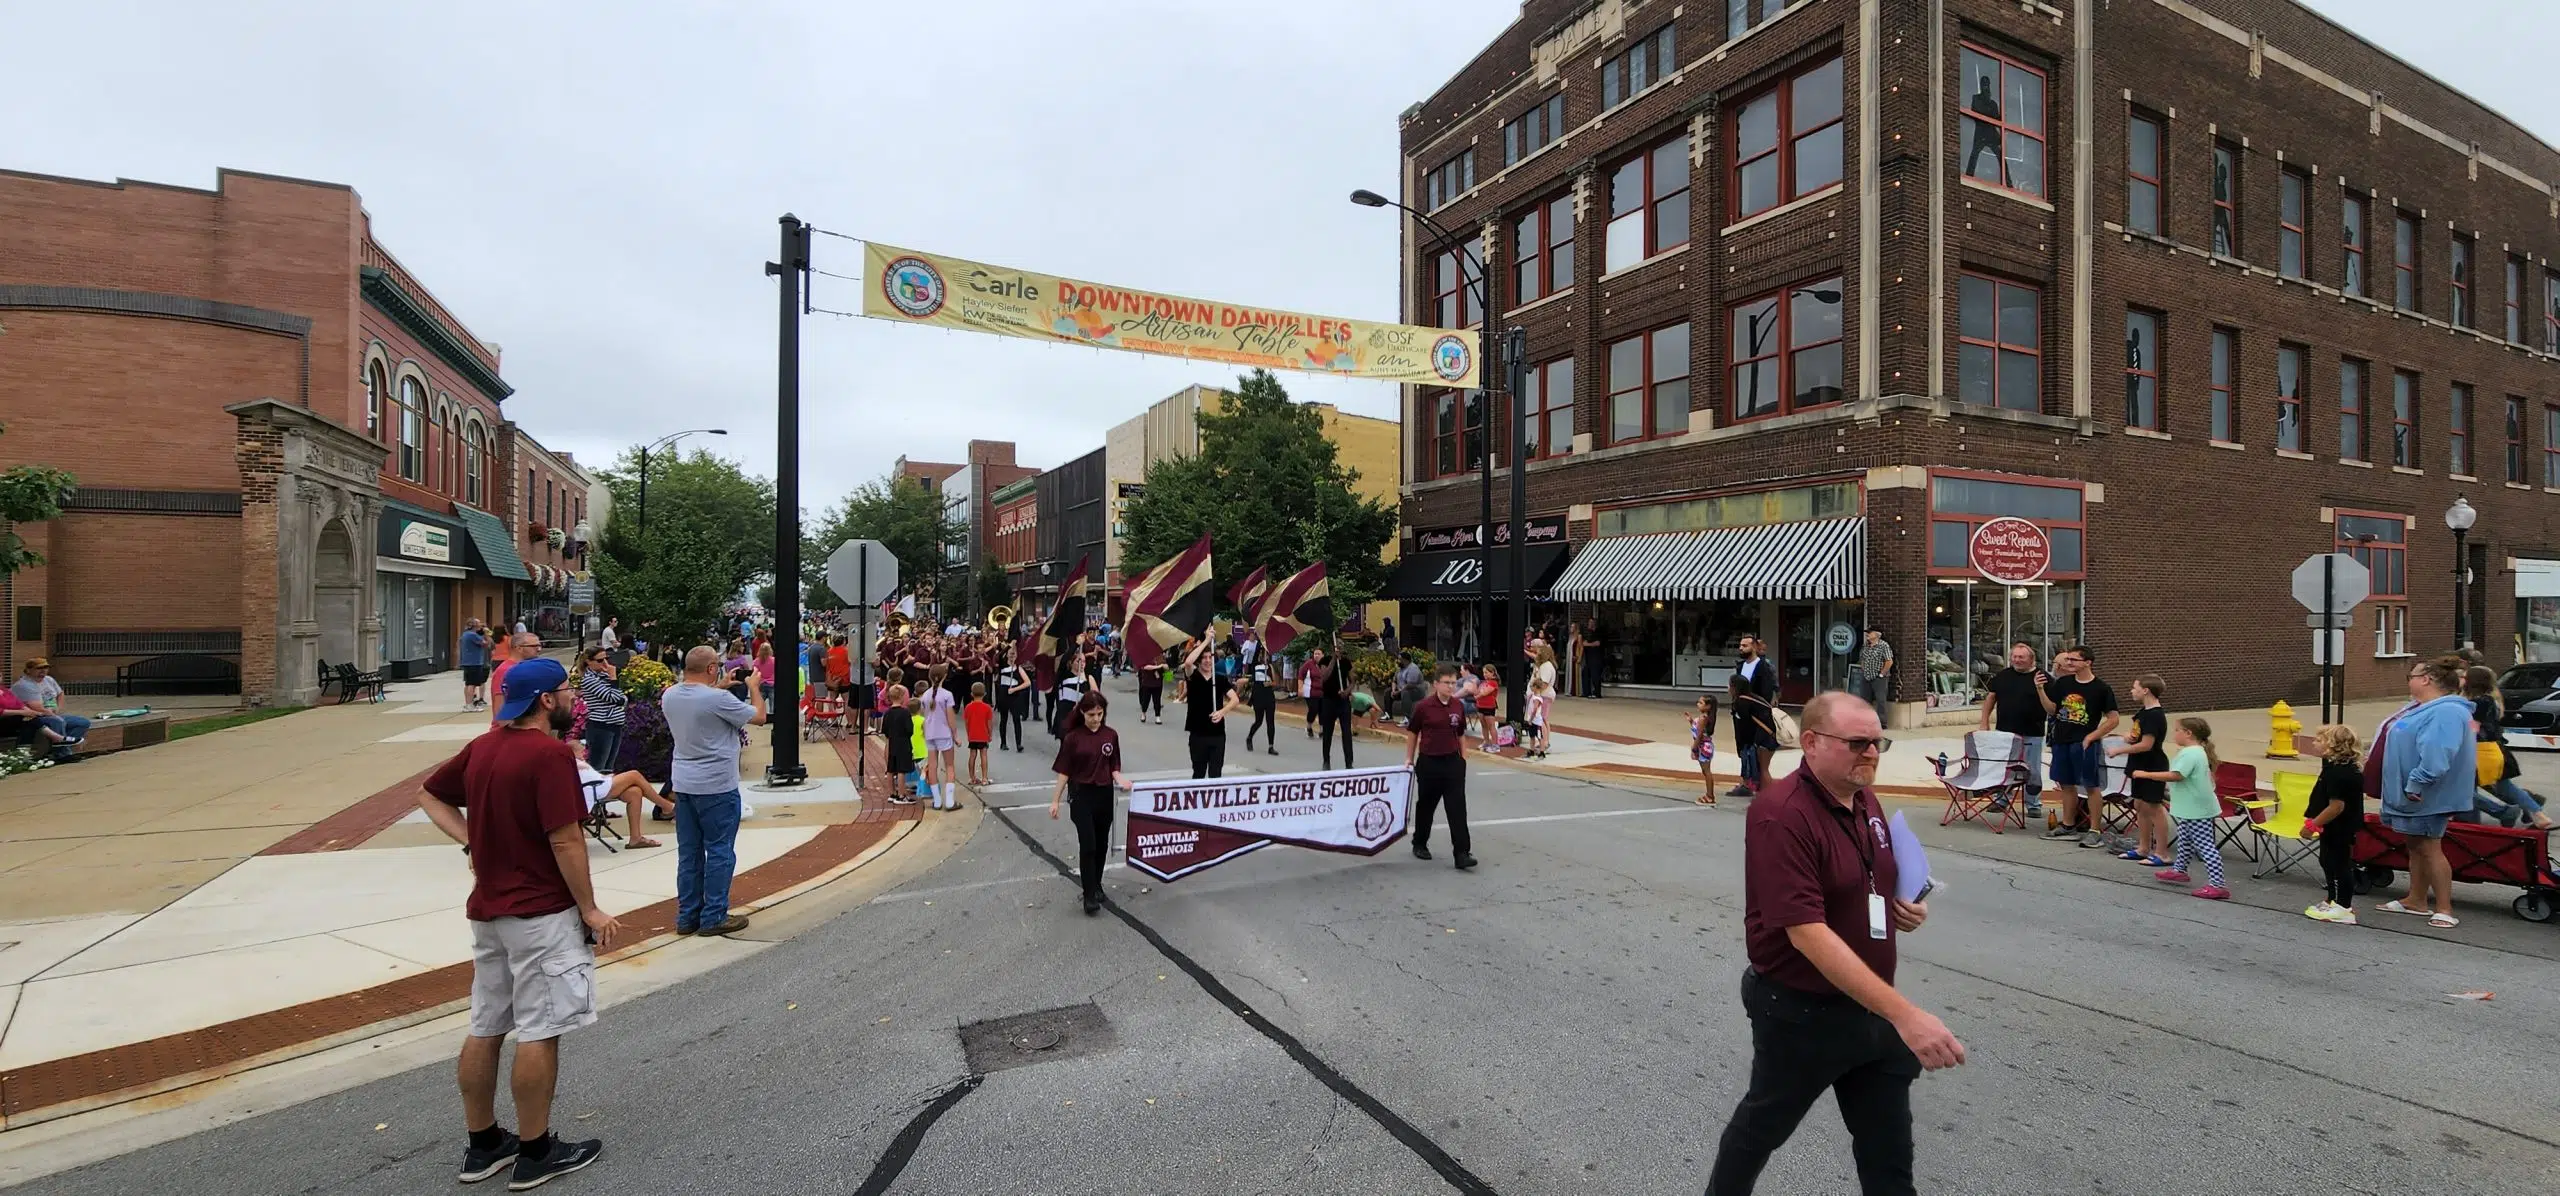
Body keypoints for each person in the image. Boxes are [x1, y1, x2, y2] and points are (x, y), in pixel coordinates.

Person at [1704, 691, 1959, 1195]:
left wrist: (1904, 906)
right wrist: (1907, 1016)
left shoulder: (1865, 798)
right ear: (1811, 743)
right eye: (1858, 743)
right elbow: (1807, 933)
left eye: (1878, 742)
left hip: (1870, 1007)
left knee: (1889, 1157)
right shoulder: (1782, 814)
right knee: (1762, 1129)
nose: (1872, 753)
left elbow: (1871, 876)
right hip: (1801, 1013)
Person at [414, 658, 616, 1189]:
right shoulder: (550, 756)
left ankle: (483, 1144)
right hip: (541, 914)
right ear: (546, 700)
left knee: (486, 1025)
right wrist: (590, 908)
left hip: (489, 912)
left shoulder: (483, 748)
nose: (574, 698)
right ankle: (536, 1151)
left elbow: (429, 794)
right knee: (540, 1028)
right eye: (567, 690)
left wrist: (472, 842)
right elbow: (566, 840)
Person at [660, 646, 767, 937]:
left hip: (684, 784)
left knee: (689, 853)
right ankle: (714, 916)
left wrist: (720, 685)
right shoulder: (718, 699)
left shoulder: (670, 695)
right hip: (717, 785)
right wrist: (753, 687)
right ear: (710, 668)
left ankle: (688, 916)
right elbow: (759, 717)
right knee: (720, 850)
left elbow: (698, 702)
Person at [2375, 654, 2478, 928]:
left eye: (2411, 676)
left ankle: (2444, 908)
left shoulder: (2446, 712)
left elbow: (2437, 754)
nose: (2409, 681)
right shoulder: (2422, 708)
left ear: (2426, 679)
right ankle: (2416, 899)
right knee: (2416, 846)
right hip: (2413, 795)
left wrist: (2416, 782)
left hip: (2427, 794)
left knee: (2430, 847)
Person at [1049, 692, 1131, 916]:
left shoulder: (1110, 735)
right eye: (1091, 715)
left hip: (1104, 794)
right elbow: (1064, 771)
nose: (1096, 719)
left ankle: (1096, 884)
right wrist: (1055, 800)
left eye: (1100, 714)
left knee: (1102, 844)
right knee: (1089, 845)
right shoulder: (1073, 738)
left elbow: (1114, 764)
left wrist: (1119, 778)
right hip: (1081, 795)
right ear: (1082, 713)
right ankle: (1088, 895)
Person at [2135, 717, 2230, 900]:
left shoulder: (2191, 754)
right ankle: (2180, 870)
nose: (2174, 734)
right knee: (2185, 839)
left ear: (2188, 733)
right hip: (2190, 807)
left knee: (2205, 845)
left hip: (2196, 808)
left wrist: (2146, 774)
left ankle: (2218, 884)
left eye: (2177, 730)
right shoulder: (2195, 751)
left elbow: (2176, 775)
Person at [2038, 646, 2119, 847]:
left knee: (2090, 785)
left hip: (2084, 742)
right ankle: (2068, 825)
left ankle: (2094, 829)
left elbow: (2113, 719)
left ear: (2087, 662)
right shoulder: (2063, 683)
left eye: (2073, 660)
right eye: (2068, 659)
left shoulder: (2101, 688)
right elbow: (2052, 710)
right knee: (2066, 783)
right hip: (2061, 739)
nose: (2069, 663)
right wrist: (2040, 690)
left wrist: (2092, 736)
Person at [1405, 665, 1477, 871]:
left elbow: (1460, 733)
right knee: (1426, 805)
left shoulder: (1457, 706)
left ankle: (1462, 853)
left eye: (1454, 683)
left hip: (1452, 762)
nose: (1451, 686)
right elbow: (1412, 732)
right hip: (1429, 761)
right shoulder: (1423, 707)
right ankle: (1420, 842)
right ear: (1436, 684)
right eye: (1446, 683)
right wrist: (1409, 758)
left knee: (1457, 807)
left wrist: (1463, 758)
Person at [2464, 666, 2552, 828]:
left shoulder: (2479, 702)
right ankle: (2537, 813)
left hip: (2480, 751)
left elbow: (2473, 727)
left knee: (2463, 790)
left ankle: (2503, 812)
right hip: (2493, 749)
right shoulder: (2491, 700)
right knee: (2505, 787)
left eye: (2465, 677)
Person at [2301, 724, 2367, 925]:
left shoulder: (2340, 773)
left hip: (2340, 826)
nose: (2315, 743)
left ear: (2333, 745)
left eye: (2319, 740)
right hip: (2332, 826)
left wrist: (2312, 825)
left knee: (2339, 864)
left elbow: (2337, 806)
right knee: (2327, 861)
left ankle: (2343, 906)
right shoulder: (2333, 767)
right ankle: (2332, 899)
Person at [2107, 673, 2172, 867]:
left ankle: (2162, 853)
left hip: (2152, 765)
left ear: (2146, 690)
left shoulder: (2154, 715)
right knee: (2140, 805)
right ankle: (2143, 848)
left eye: (2135, 688)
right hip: (2139, 764)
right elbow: (2138, 736)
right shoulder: (2144, 712)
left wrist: (2119, 750)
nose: (2131, 691)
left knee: (2154, 807)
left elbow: (2146, 745)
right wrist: (2128, 737)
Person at [1979, 643, 2050, 820]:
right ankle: (2002, 800)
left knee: (2032, 771)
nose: (2017, 660)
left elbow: (2052, 703)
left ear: (2031, 659)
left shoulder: (2042, 677)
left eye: (2021, 657)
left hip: (2032, 732)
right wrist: (1984, 722)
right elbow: (1991, 698)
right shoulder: (2003, 676)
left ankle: (2033, 804)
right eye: (2014, 657)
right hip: (2005, 733)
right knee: (2005, 768)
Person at [574, 739, 672, 848]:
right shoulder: (571, 762)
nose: (585, 753)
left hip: (600, 785)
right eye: (581, 751)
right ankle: (666, 806)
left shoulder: (579, 761)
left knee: (634, 792)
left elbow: (591, 775)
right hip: (593, 789)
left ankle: (635, 838)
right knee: (634, 775)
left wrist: (605, 776)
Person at [1178, 639, 1244, 779]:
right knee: (1199, 773)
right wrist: (1207, 640)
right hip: (1198, 733)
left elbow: (1235, 699)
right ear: (1199, 661)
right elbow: (1188, 663)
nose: (1208, 661)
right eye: (1204, 658)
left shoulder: (1220, 679)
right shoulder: (1193, 677)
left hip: (1217, 734)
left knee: (1215, 774)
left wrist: (1222, 712)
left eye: (1210, 657)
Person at [1728, 636, 1778, 798]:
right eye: (1740, 645)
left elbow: (1766, 692)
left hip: (1756, 715)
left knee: (1756, 752)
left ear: (1754, 647)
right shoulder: (1740, 666)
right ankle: (1746, 782)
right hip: (1742, 714)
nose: (1741, 648)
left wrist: (1758, 710)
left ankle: (1759, 786)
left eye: (1745, 645)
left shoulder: (1763, 667)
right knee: (1743, 748)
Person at [9, 659, 89, 747]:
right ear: (28, 670)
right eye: (39, 668)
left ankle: (64, 747)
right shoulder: (24, 685)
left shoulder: (49, 679)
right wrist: (54, 715)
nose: (43, 671)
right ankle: (62, 752)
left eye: (46, 668)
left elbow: (60, 693)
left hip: (51, 714)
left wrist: (58, 708)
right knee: (57, 722)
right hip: (35, 718)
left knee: (82, 722)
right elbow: (37, 708)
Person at [575, 648, 628, 774]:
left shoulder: (604, 676)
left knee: (609, 767)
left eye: (606, 659)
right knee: (599, 767)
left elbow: (624, 699)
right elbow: (615, 698)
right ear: (589, 662)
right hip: (601, 725)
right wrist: (613, 678)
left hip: (616, 723)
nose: (605, 663)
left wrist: (615, 688)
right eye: (600, 660)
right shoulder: (589, 680)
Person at [918, 663, 960, 810]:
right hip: (944, 733)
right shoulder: (947, 695)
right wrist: (955, 735)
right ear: (945, 676)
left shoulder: (925, 695)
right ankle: (950, 801)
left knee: (932, 766)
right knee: (949, 766)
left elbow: (923, 715)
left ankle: (937, 801)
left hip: (930, 734)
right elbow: (950, 718)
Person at [1311, 644, 1357, 769]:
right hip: (1328, 700)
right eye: (1337, 647)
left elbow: (1352, 680)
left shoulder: (1346, 662)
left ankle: (1349, 762)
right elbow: (1324, 677)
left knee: (1346, 732)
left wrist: (1347, 691)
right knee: (1328, 732)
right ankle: (1326, 760)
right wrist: (1333, 660)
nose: (1339, 649)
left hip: (1343, 701)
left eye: (1341, 647)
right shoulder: (1325, 661)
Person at [881, 685, 920, 806]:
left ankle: (892, 793)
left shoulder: (887, 713)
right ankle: (902, 795)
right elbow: (909, 730)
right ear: (901, 697)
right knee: (901, 770)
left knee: (891, 769)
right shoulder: (905, 713)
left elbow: (885, 730)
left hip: (892, 743)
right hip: (903, 743)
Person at [489, 633, 539, 726]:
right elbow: (500, 708)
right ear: (519, 648)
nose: (539, 649)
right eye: (534, 646)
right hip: (509, 730)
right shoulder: (505, 671)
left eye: (539, 645)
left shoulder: (525, 667)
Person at [1856, 628, 1895, 728]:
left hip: (1879, 678)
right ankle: (1865, 721)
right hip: (1866, 676)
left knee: (1880, 700)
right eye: (1867, 633)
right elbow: (1862, 659)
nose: (1867, 634)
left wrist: (1882, 674)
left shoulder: (1883, 645)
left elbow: (1889, 661)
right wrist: (1864, 669)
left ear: (1877, 635)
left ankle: (1882, 723)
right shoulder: (1866, 645)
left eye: (1870, 633)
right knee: (1864, 700)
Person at [1243, 652, 1279, 755]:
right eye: (1261, 655)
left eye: (1265, 655)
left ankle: (1271, 746)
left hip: (1269, 696)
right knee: (1258, 721)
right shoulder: (1255, 666)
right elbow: (1250, 679)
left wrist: (1270, 683)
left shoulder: (1271, 667)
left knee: (1270, 722)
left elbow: (1276, 682)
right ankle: (1249, 737)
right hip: (1258, 696)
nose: (1263, 657)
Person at [996, 650, 1030, 751]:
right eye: (1010, 653)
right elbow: (999, 655)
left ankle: (1018, 744)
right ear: (1007, 655)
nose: (1012, 655)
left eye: (1014, 654)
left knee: (1016, 719)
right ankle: (1003, 743)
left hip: (1014, 695)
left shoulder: (1019, 668)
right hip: (1003, 694)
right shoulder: (1002, 665)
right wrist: (1010, 645)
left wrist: (1015, 689)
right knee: (1004, 719)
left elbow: (1027, 682)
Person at [1690, 693, 1720, 805]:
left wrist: (1694, 747)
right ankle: (1709, 794)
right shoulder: (1705, 717)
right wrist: (1691, 721)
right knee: (1705, 771)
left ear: (1708, 706)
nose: (1698, 704)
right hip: (1704, 746)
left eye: (1701, 702)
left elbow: (1699, 735)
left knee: (1707, 771)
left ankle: (1710, 796)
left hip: (1703, 747)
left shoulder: (1703, 718)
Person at [964, 682, 995, 786]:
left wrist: (968, 734)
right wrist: (990, 734)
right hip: (983, 735)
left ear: (971, 694)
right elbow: (989, 723)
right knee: (983, 755)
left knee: (972, 755)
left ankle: (972, 777)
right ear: (985, 694)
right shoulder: (987, 708)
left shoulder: (968, 707)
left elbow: (967, 722)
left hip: (972, 735)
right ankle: (984, 778)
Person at [458, 619, 493, 711]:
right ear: (474, 625)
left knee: (468, 683)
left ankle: (468, 704)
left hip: (467, 662)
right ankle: (470, 705)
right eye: (479, 624)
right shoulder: (472, 635)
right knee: (472, 684)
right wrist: (486, 634)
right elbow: (486, 644)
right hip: (474, 662)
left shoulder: (465, 634)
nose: (480, 626)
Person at [1473, 661, 1502, 752]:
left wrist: (1476, 696)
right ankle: (1486, 741)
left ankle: (1495, 745)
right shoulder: (1484, 683)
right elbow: (1477, 691)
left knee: (1491, 726)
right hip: (1480, 705)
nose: (1484, 674)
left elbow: (1484, 692)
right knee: (1483, 725)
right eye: (1484, 672)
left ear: (1492, 673)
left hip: (1489, 706)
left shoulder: (1493, 683)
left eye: (1486, 672)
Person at [1525, 670, 1554, 758]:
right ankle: (1532, 750)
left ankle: (1542, 751)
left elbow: (1534, 709)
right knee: (1532, 736)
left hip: (1536, 720)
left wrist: (1530, 719)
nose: (1531, 688)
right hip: (1533, 718)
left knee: (1539, 736)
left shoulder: (1537, 698)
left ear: (1536, 687)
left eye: (1532, 686)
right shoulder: (1533, 696)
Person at [1135, 646, 1166, 725]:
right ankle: (1143, 713)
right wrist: (1158, 666)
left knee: (1157, 700)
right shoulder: (1145, 657)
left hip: (1158, 682)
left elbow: (1165, 669)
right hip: (1147, 681)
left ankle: (1158, 716)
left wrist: (1167, 669)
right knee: (1146, 699)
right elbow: (1145, 667)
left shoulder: (1160, 657)